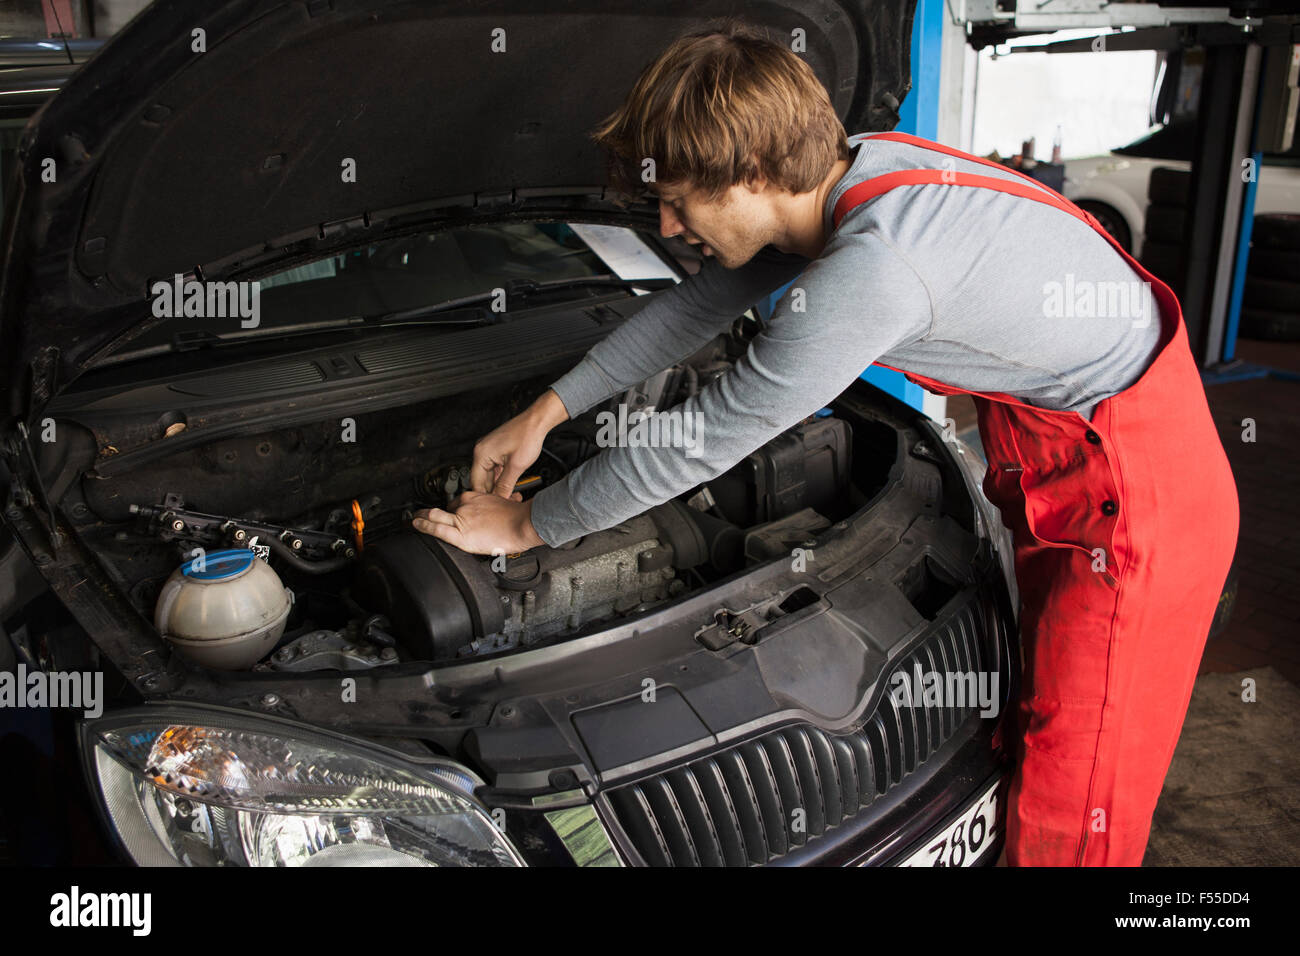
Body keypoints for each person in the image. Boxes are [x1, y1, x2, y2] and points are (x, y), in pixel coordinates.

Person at [412, 24, 1239, 866]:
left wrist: (525, 527)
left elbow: (699, 443)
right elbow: (695, 310)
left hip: (1138, 490)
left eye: (683, 201)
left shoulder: (874, 269)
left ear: (757, 174)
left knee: (1076, 787)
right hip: (1066, 436)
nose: (666, 222)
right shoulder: (849, 172)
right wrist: (548, 410)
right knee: (1044, 712)